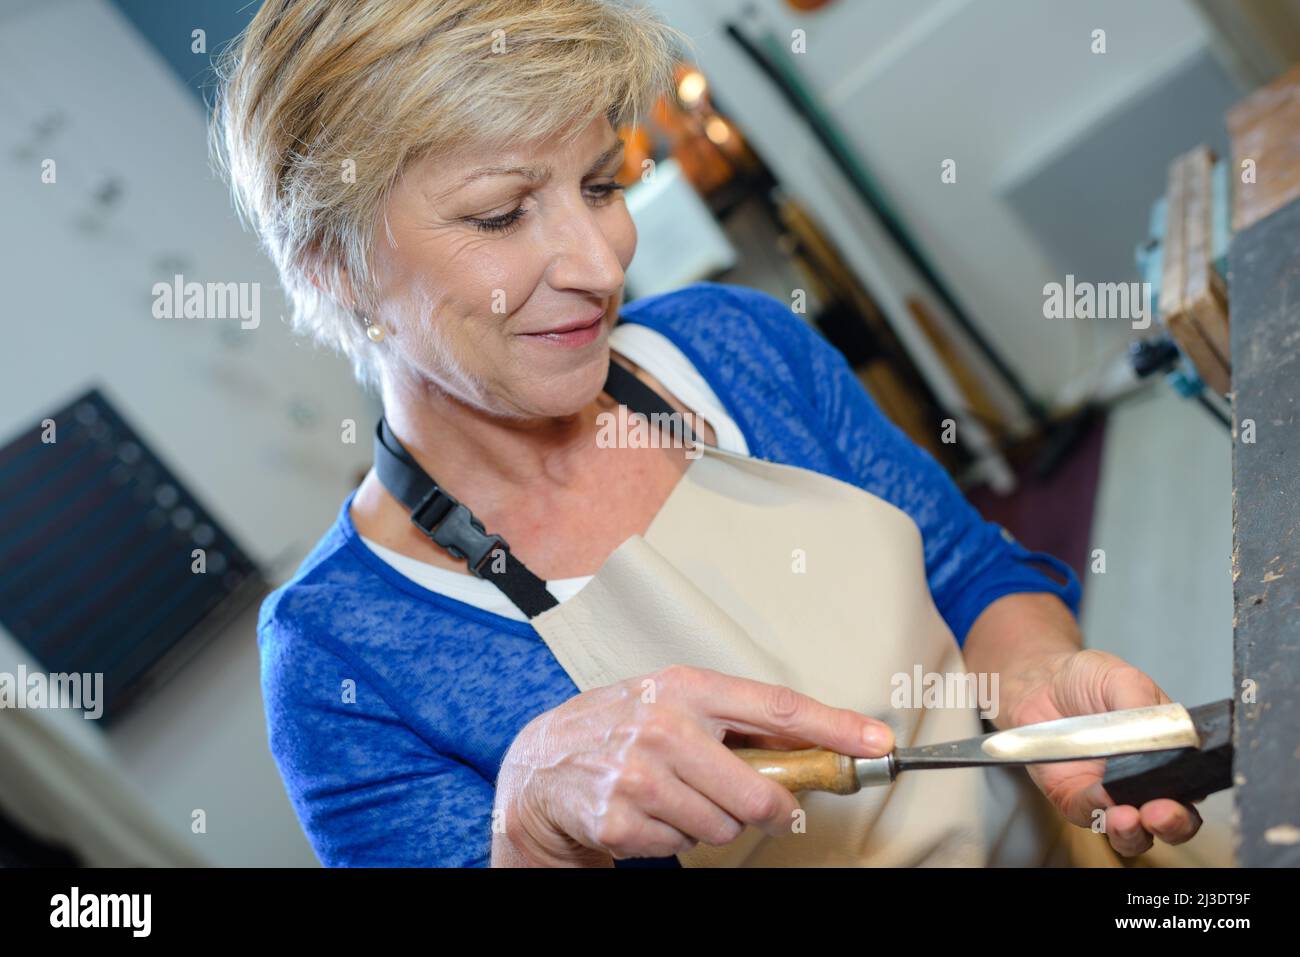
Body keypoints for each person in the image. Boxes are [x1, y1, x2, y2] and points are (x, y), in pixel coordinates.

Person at [211, 0, 1203, 867]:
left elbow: (971, 576)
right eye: (504, 214)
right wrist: (530, 837)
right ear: (330, 265)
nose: (599, 264)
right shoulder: (340, 660)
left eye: (601, 185)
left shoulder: (737, 347)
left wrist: (1032, 675)